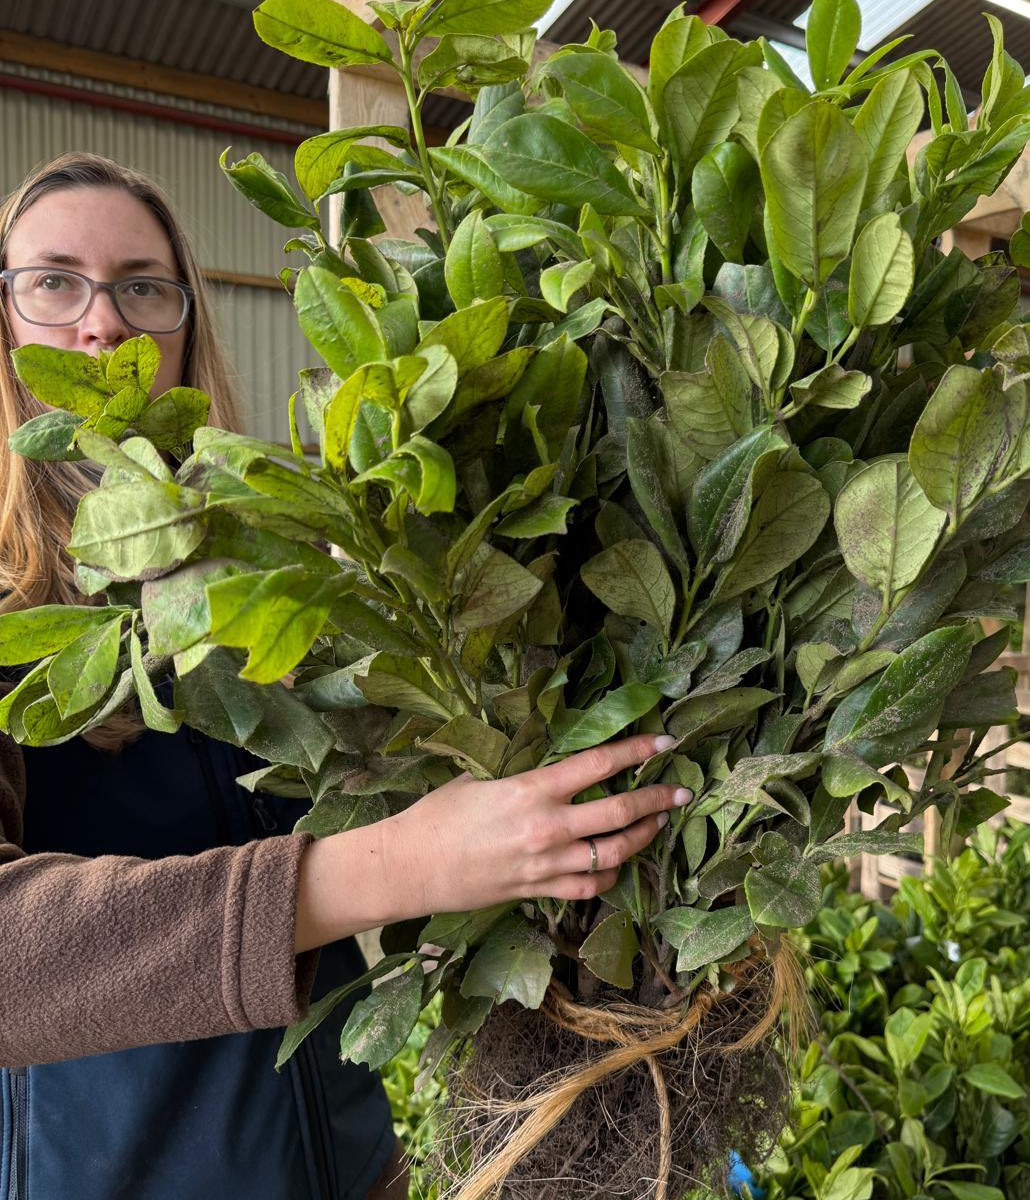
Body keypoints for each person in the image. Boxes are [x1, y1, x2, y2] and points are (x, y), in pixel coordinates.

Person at [0, 153, 690, 1200]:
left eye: (144, 284)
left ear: (187, 324)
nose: (104, 323)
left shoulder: (269, 554)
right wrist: (399, 868)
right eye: (54, 281)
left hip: (342, 1162)